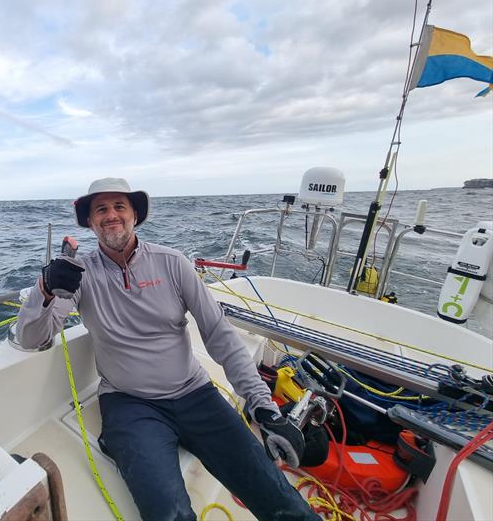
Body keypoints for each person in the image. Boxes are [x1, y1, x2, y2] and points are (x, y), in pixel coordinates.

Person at [16, 178, 318, 521]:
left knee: (278, 496)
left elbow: (219, 334)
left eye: (119, 206)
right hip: (129, 405)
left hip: (196, 394)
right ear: (89, 221)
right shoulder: (78, 273)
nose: (111, 215)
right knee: (168, 514)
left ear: (134, 215)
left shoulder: (173, 262)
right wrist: (47, 289)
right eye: (101, 209)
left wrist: (263, 407)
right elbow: (32, 339)